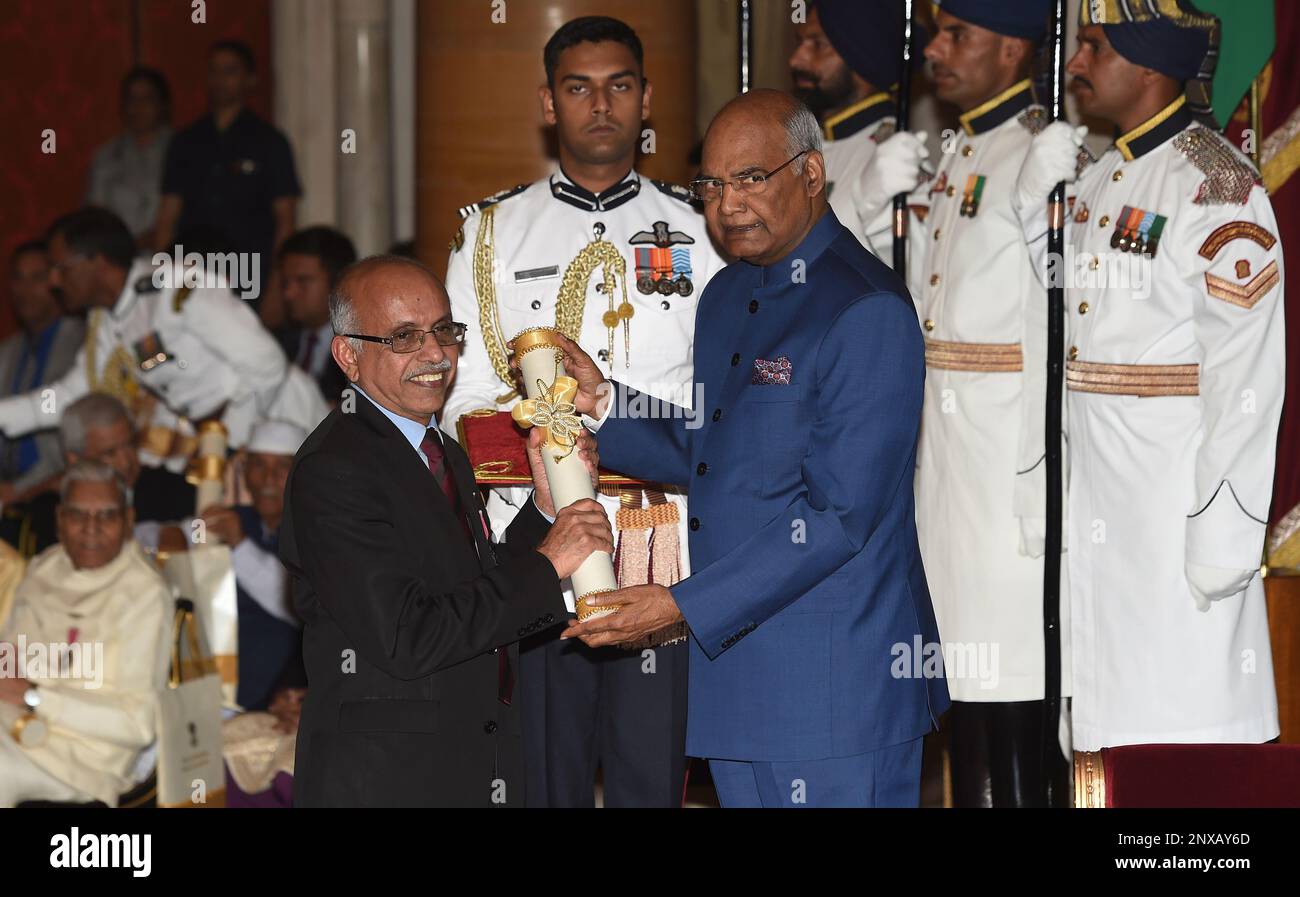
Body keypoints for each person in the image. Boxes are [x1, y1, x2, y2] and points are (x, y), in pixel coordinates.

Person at [553, 90, 949, 808]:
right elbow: (717, 449)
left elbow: (838, 515)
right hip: (737, 681)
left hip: (837, 691)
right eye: (712, 184)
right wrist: (606, 402)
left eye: (751, 178)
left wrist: (680, 605)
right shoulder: (729, 295)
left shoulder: (868, 310)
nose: (727, 204)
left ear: (811, 173)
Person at [441, 16, 726, 808]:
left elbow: (725, 402)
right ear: (547, 102)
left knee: (649, 776)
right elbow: (461, 401)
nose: (600, 105)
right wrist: (548, 454)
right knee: (543, 778)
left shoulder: (703, 229)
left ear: (647, 98)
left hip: (661, 540)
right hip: (540, 542)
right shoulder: (492, 232)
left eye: (619, 85)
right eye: (578, 88)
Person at [1014, 1, 1283, 750]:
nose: (1073, 65)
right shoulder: (1101, 179)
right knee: (1103, 737)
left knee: (1181, 736)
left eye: (1094, 47)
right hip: (1101, 512)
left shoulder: (1220, 185)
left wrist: (1225, 532)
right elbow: (1062, 307)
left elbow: (1246, 377)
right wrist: (1033, 208)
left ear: (1152, 64)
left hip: (1174, 523)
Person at [279, 255, 613, 807]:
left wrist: (544, 514)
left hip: (469, 763)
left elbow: (466, 585)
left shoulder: (442, 451)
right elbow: (408, 635)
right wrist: (548, 564)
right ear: (348, 356)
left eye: (443, 330)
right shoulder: (334, 468)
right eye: (405, 337)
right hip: (389, 781)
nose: (435, 354)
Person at [910, 0, 1071, 807]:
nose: (936, 49)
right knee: (959, 693)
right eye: (937, 32)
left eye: (957, 34)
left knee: (1010, 687)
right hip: (947, 471)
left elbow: (1057, 328)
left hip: (1006, 467)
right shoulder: (961, 148)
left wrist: (1038, 475)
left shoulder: (1040, 155)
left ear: (1014, 47)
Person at [0, 207, 309, 478]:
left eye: (59, 268)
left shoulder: (176, 290)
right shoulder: (108, 321)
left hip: (281, 423)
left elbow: (266, 362)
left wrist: (228, 439)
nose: (53, 281)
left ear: (97, 262)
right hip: (218, 440)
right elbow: (70, 396)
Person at [0, 461, 171, 807]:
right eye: (78, 515)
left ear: (128, 520)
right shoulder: (44, 567)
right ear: (60, 520)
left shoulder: (145, 596)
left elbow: (138, 725)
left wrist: (35, 696)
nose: (91, 529)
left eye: (106, 516)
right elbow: (9, 659)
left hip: (82, 759)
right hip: (13, 726)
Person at [153, 40, 300, 297]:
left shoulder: (269, 141)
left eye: (230, 71)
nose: (220, 80)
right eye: (214, 71)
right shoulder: (186, 141)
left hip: (251, 271)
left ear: (250, 79)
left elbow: (285, 219)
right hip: (192, 269)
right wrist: (163, 277)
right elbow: (167, 215)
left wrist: (278, 286)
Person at [789, 0, 929, 257]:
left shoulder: (894, 160)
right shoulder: (799, 146)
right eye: (800, 43)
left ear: (863, 61)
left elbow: (908, 274)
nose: (796, 59)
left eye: (818, 45)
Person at [199, 418, 307, 712]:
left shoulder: (313, 534)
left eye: (281, 468)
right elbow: (186, 530)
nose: (268, 479)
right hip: (206, 682)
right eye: (258, 466)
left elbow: (294, 602)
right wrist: (166, 536)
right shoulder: (238, 518)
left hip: (270, 700)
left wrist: (239, 545)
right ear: (244, 473)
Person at [0, 242, 85, 510]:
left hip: (57, 494)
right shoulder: (9, 350)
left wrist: (18, 490)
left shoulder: (83, 343)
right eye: (18, 278)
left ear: (58, 280)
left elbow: (75, 439)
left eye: (36, 278)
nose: (25, 290)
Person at [59, 393, 193, 550]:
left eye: (130, 444)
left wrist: (185, 537)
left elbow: (206, 531)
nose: (126, 462)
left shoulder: (173, 490)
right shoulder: (48, 513)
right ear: (75, 459)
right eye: (109, 453)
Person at [85, 67, 173, 246]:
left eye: (147, 99)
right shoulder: (106, 155)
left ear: (163, 104)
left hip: (170, 254)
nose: (138, 107)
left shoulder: (180, 150)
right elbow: (95, 212)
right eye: (132, 99)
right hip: (117, 256)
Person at [277, 227, 356, 404]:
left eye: (302, 281)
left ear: (338, 283)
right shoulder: (278, 343)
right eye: (286, 282)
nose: (289, 293)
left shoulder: (360, 350)